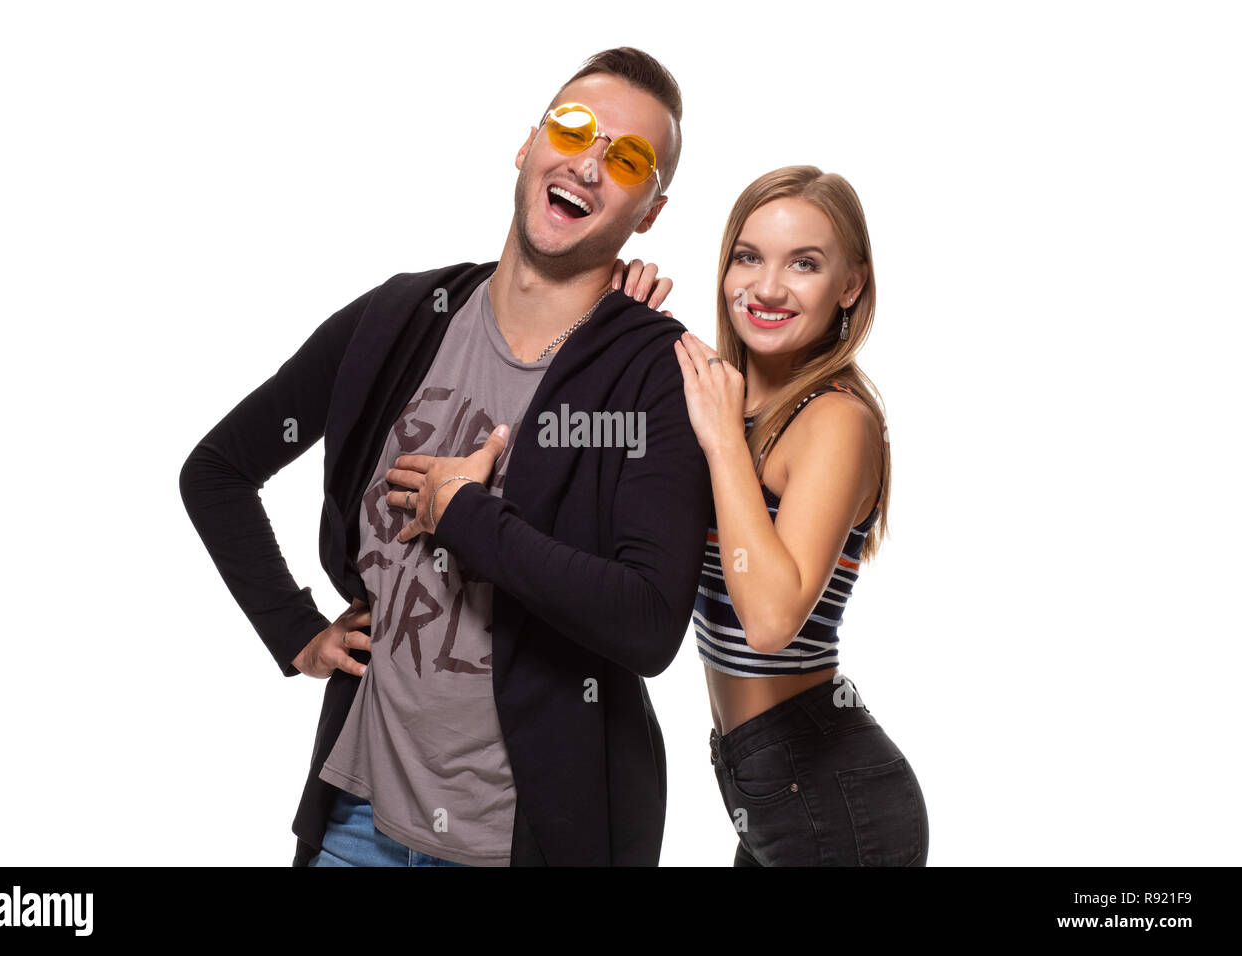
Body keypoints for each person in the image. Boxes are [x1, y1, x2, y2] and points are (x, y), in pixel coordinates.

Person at [178, 47, 709, 866]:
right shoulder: (400, 319)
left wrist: (466, 517)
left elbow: (646, 625)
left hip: (532, 843)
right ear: (529, 144)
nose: (591, 163)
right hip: (360, 824)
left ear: (650, 212)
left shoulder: (653, 373)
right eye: (574, 129)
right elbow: (217, 471)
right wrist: (294, 631)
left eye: (629, 157)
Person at [674, 165, 930, 866]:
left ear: (850, 286)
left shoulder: (836, 419)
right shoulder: (726, 406)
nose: (767, 287)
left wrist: (722, 440)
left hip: (831, 799)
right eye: (748, 256)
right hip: (764, 790)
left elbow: (770, 621)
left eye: (805, 264)